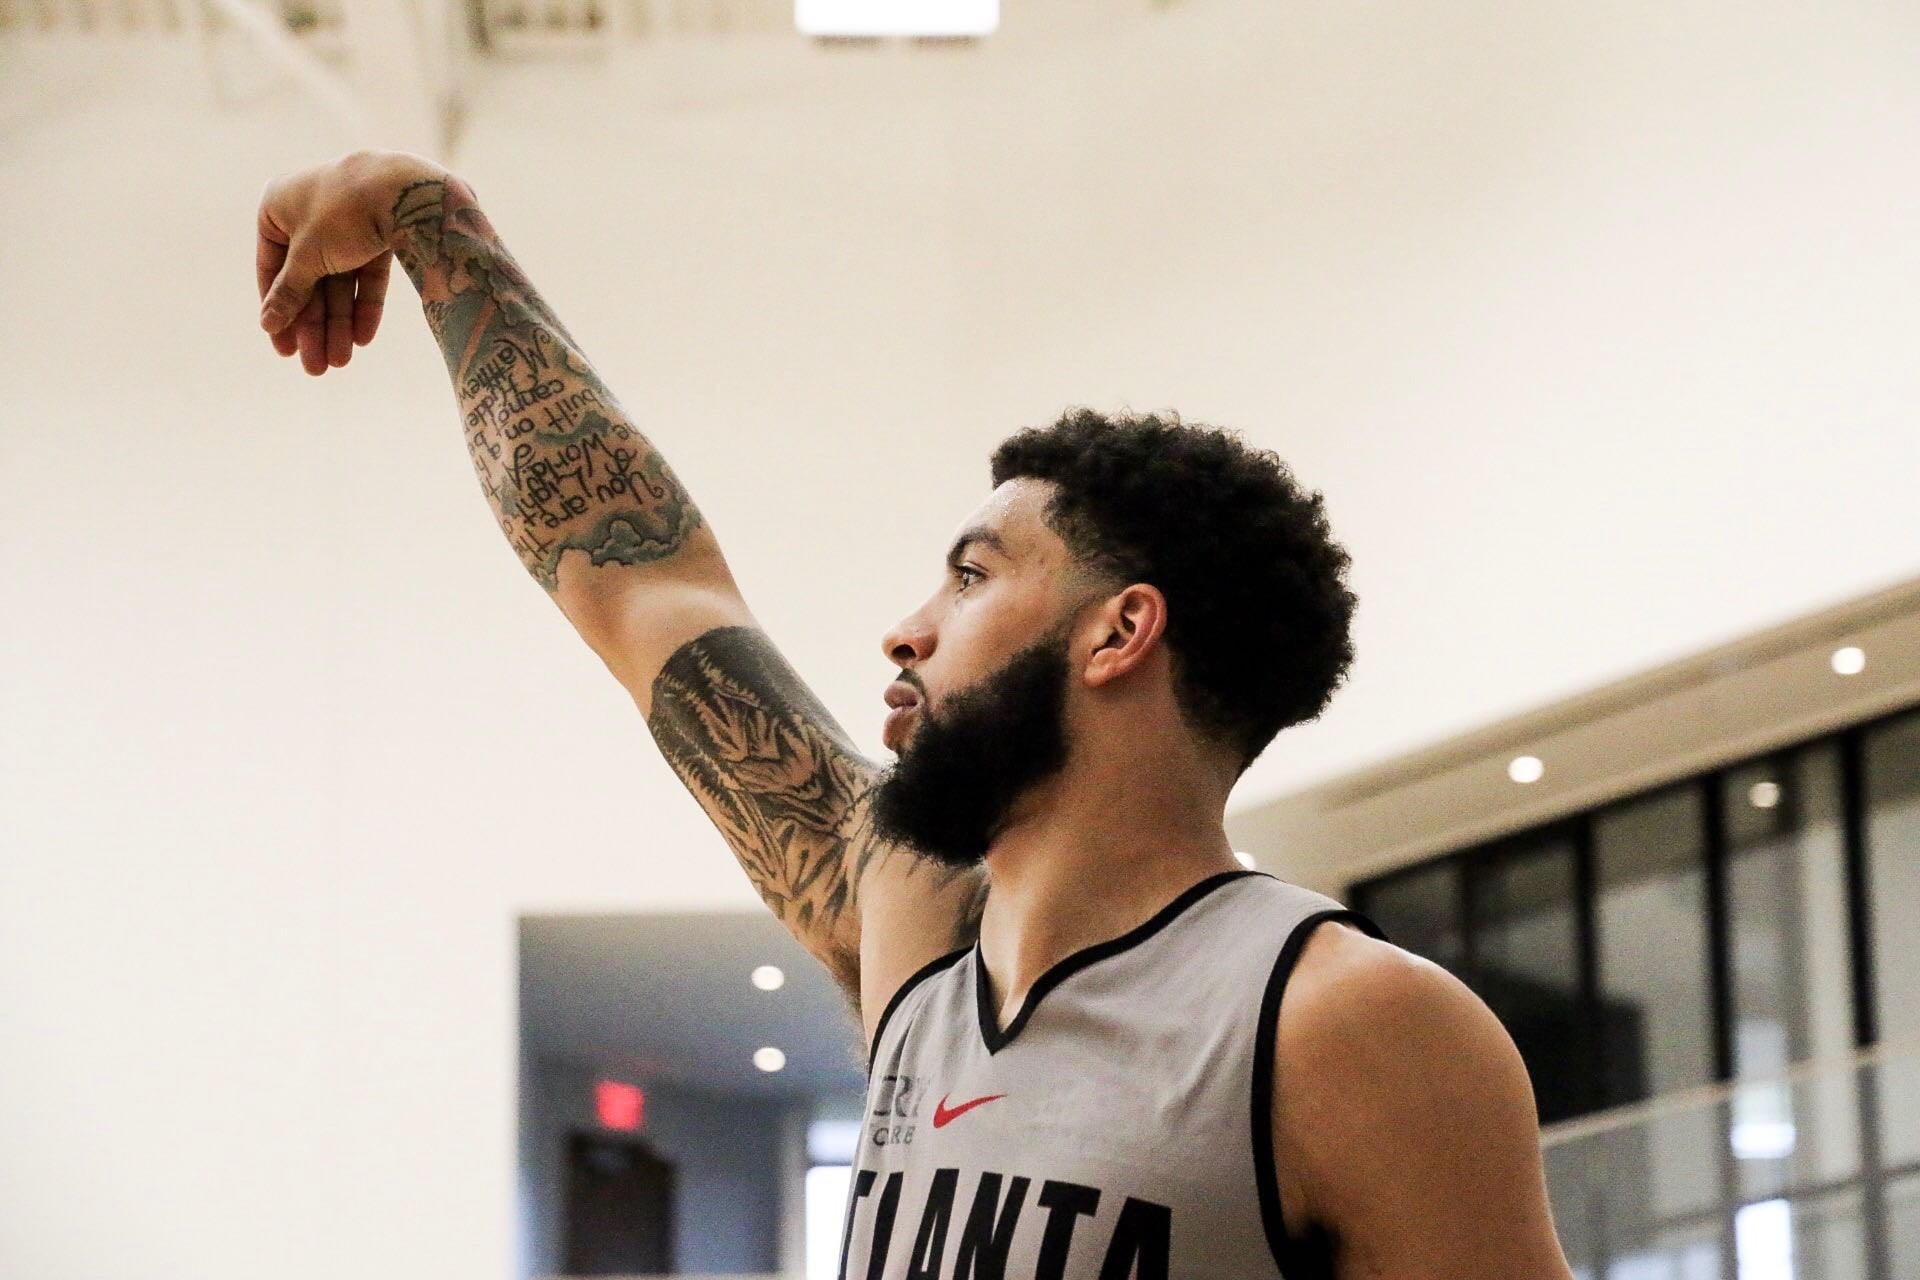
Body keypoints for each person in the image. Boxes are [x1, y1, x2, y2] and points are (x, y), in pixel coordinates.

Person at [256, 149, 1574, 1279]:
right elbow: (639, 574)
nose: (905, 630)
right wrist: (428, 220)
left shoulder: (1352, 1025)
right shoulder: (915, 923)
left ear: (1119, 633)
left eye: (972, 576)